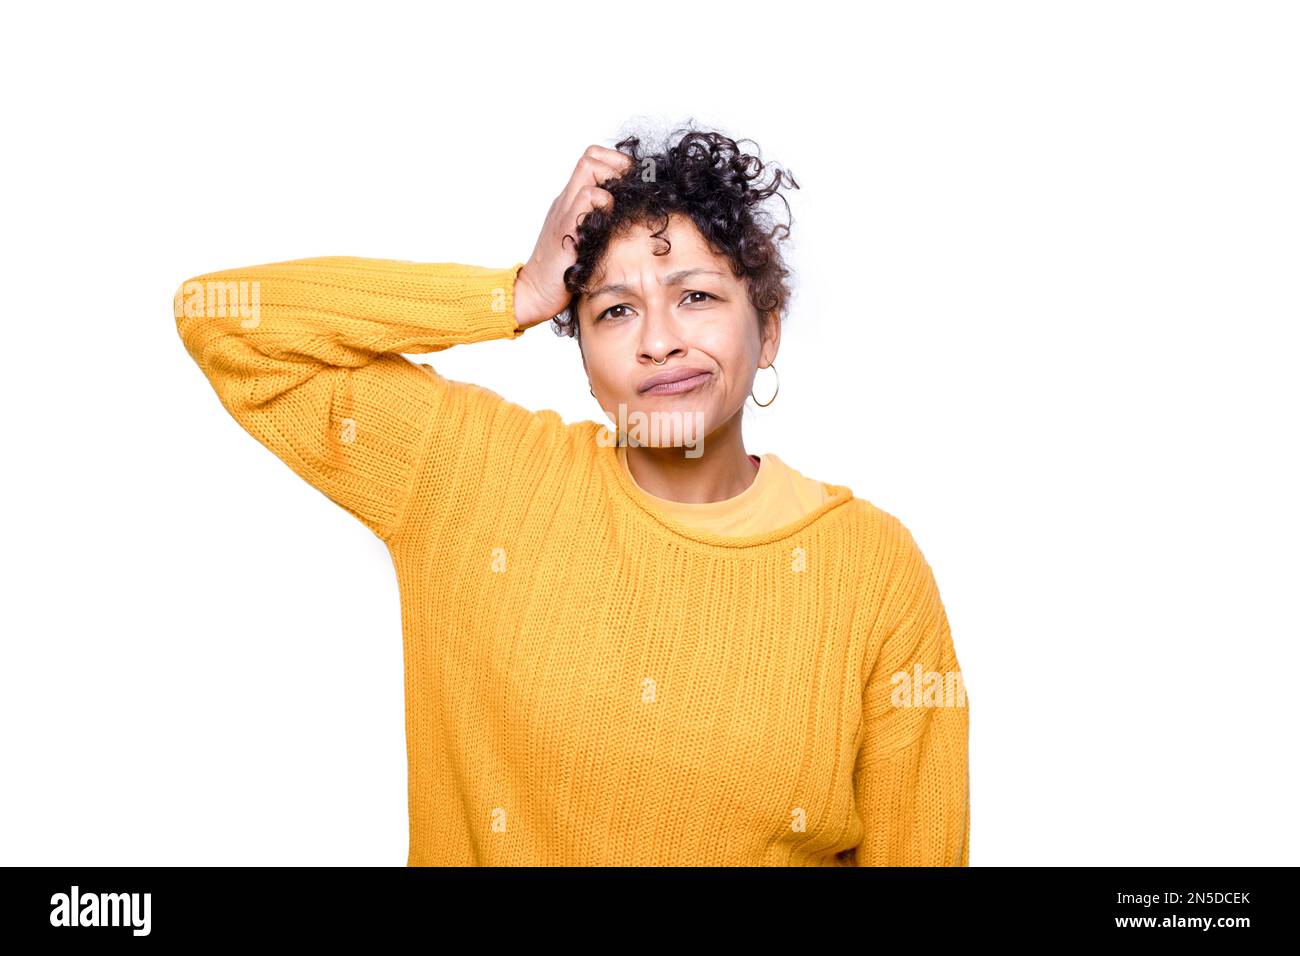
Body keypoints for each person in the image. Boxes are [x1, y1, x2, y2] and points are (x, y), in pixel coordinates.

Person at [173, 123, 970, 866]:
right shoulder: (472, 473)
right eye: (616, 310)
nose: (659, 340)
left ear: (768, 328)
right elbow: (223, 321)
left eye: (696, 296)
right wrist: (510, 295)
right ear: (582, 354)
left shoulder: (873, 570)